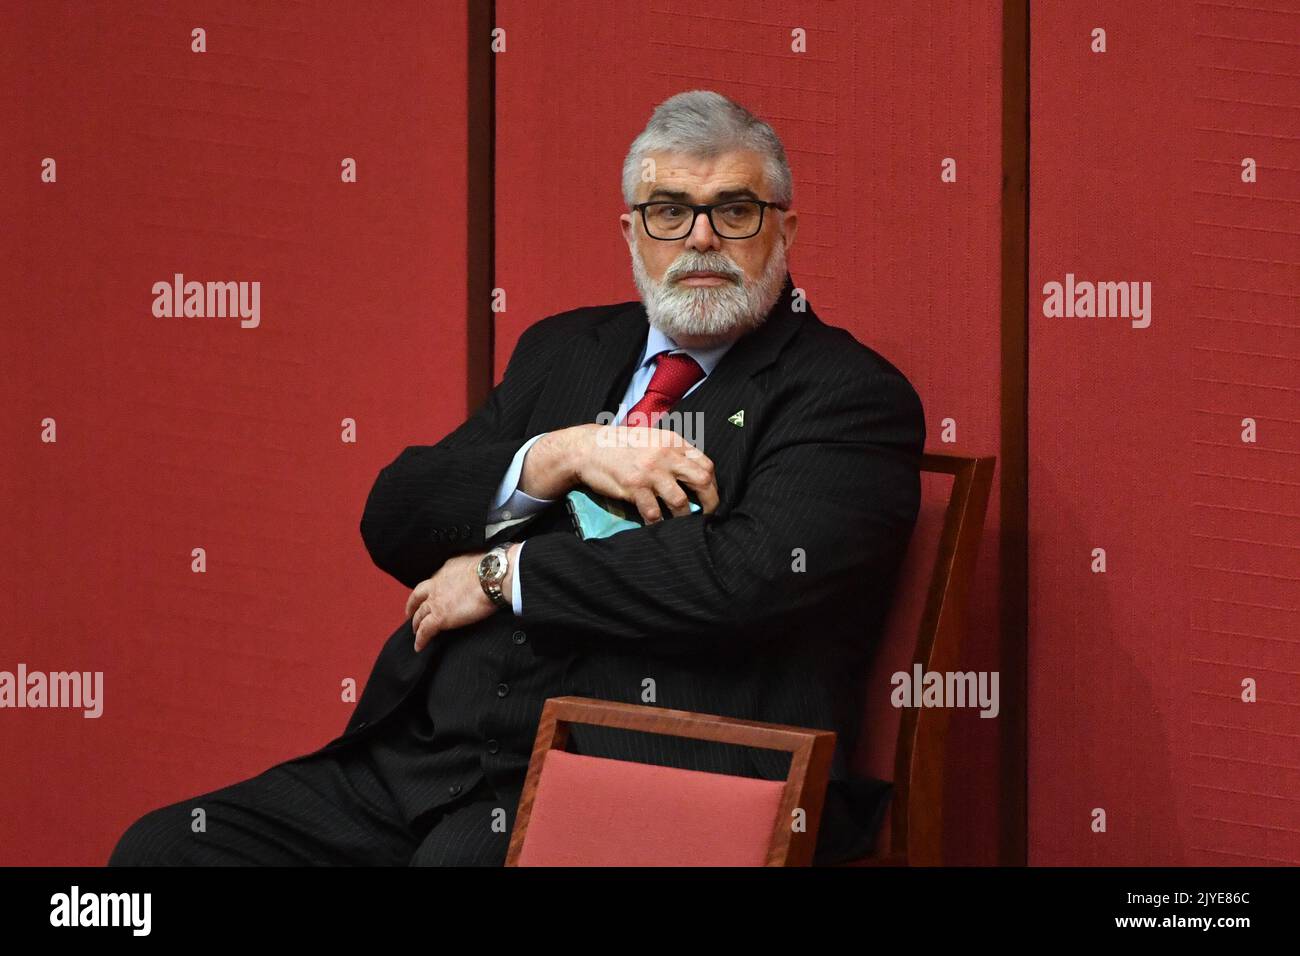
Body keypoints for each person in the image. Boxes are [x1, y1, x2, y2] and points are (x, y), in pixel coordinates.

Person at [109, 89, 925, 867]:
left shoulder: (849, 395)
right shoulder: (565, 351)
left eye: (735, 211)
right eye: (668, 212)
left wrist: (505, 575)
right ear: (632, 233)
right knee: (168, 850)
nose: (700, 239)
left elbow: (743, 577)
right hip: (429, 759)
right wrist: (556, 455)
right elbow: (395, 519)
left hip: (642, 777)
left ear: (784, 230)